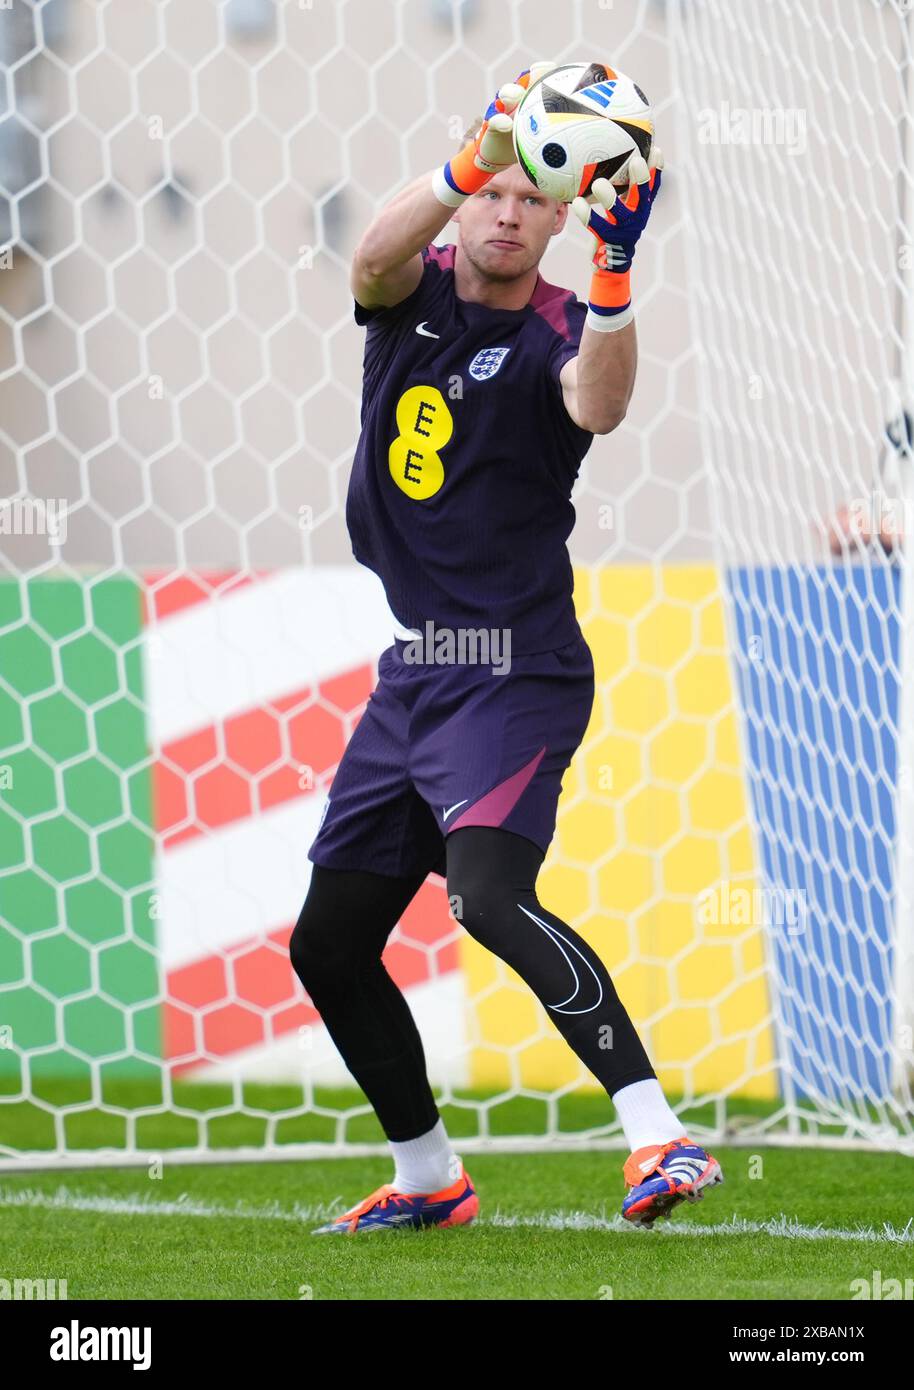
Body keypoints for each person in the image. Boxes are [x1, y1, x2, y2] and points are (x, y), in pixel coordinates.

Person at [291, 62, 723, 1233]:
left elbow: (600, 406)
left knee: (485, 895)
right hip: (416, 665)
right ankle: (431, 1182)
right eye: (496, 187)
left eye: (537, 197)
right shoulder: (412, 287)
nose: (504, 211)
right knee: (327, 944)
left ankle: (657, 1136)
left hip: (514, 667)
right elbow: (369, 259)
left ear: (560, 214)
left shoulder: (561, 328)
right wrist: (468, 152)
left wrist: (619, 273)